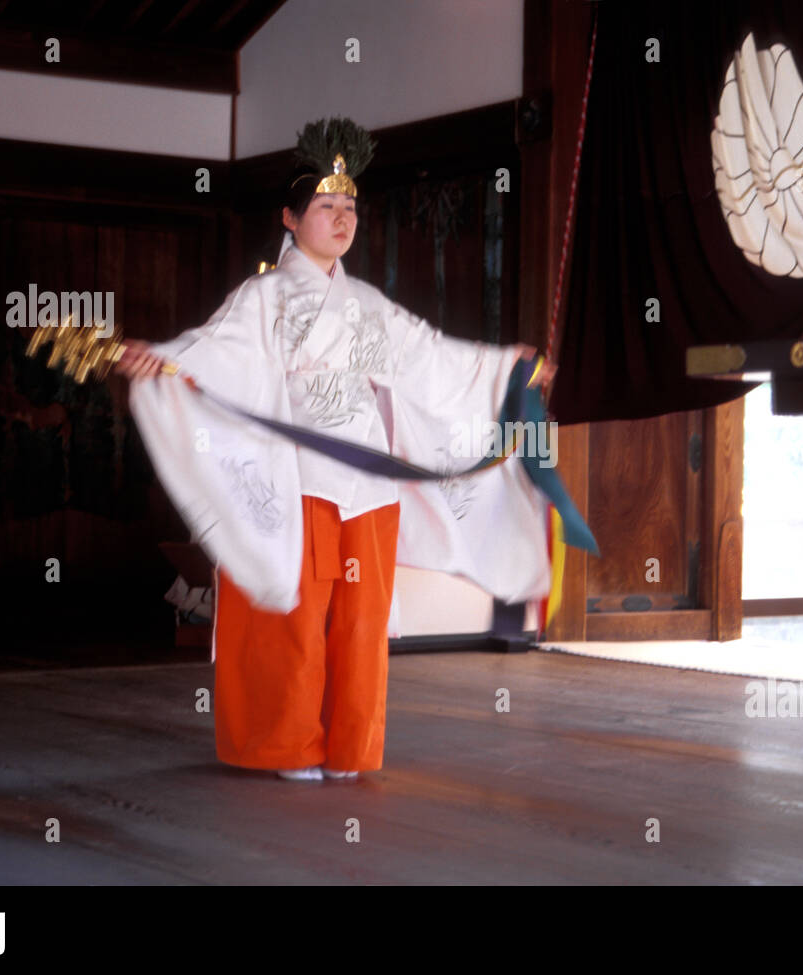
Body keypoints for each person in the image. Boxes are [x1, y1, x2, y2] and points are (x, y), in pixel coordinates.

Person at [119, 117, 557, 782]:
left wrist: (504, 367)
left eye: (349, 206)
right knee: (295, 618)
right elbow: (216, 353)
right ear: (290, 218)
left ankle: (350, 745)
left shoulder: (367, 306)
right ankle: (288, 744)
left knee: (360, 623)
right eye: (325, 206)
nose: (341, 217)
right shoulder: (262, 297)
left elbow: (430, 359)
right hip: (302, 478)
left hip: (368, 482)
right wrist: (164, 358)